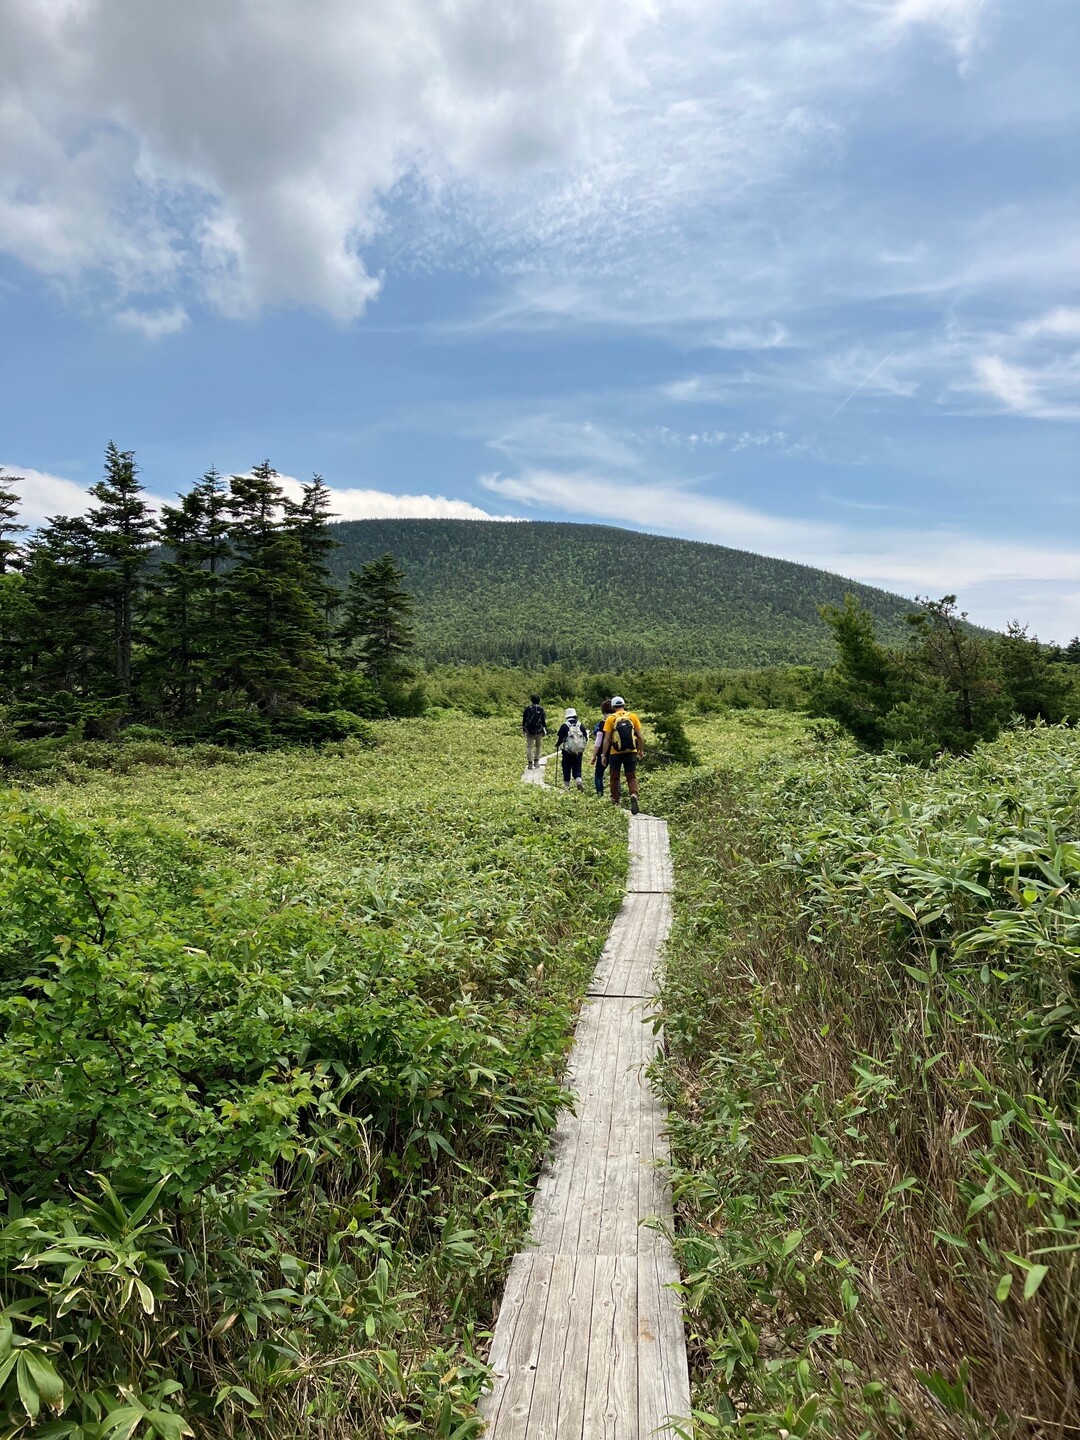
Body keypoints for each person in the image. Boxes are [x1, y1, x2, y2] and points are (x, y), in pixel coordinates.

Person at [601, 695, 644, 813]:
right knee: (631, 776)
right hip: (631, 752)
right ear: (624, 705)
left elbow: (607, 739)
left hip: (615, 752)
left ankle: (615, 802)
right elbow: (639, 736)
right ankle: (633, 795)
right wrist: (640, 750)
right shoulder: (632, 716)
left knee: (614, 777)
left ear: (613, 707)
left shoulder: (611, 719)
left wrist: (603, 755)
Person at [555, 708, 588, 790]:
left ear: (567, 716)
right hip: (579, 751)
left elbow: (560, 738)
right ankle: (578, 781)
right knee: (577, 768)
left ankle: (567, 787)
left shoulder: (564, 726)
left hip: (567, 751)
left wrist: (557, 745)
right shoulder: (580, 725)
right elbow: (585, 738)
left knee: (566, 767)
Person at [591, 699, 612, 796]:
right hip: (617, 752)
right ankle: (616, 797)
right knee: (615, 775)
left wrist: (594, 756)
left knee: (599, 775)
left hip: (604, 753)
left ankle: (600, 795)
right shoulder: (618, 720)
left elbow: (598, 741)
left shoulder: (602, 723)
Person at [521, 694, 546, 769]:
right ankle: (536, 762)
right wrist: (544, 729)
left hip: (529, 731)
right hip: (539, 731)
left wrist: (524, 729)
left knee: (529, 747)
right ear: (539, 701)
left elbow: (524, 720)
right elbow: (543, 721)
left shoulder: (527, 708)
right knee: (538, 746)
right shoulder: (541, 709)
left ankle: (530, 764)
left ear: (531, 700)